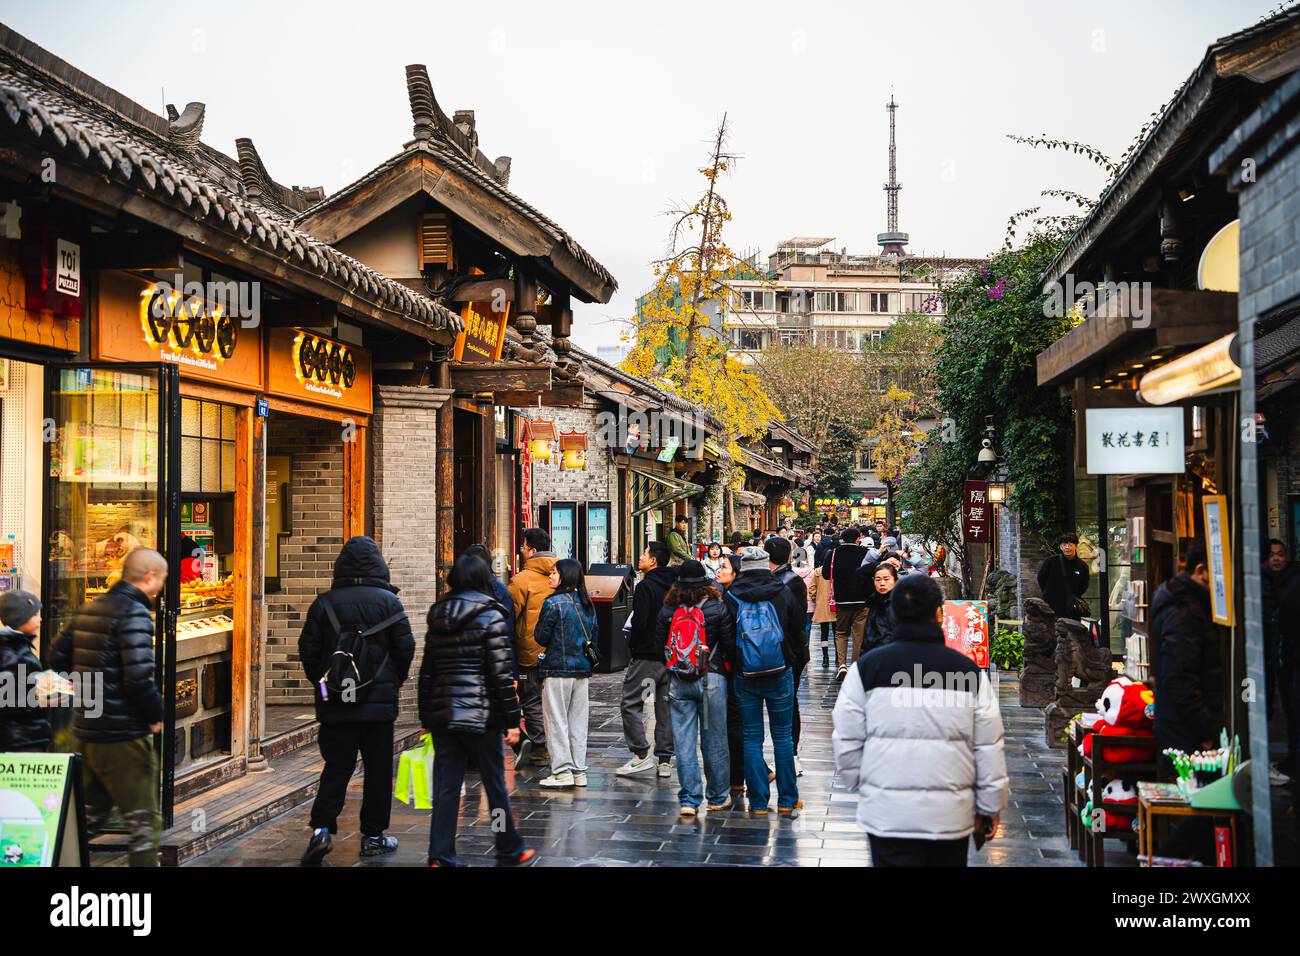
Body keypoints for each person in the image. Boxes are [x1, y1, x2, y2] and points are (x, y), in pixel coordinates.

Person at [832, 573, 1009, 867]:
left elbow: (847, 738)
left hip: (887, 814)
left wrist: (862, 786)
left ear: (894, 613)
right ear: (939, 614)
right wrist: (990, 805)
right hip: (950, 817)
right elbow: (988, 745)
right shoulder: (967, 673)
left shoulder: (866, 669)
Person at [298, 536, 415, 864]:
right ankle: (373, 836)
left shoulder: (324, 603)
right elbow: (405, 648)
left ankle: (321, 829)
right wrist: (391, 683)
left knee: (337, 766)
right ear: (379, 565)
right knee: (378, 770)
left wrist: (324, 686)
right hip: (378, 708)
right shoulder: (389, 603)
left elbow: (308, 651)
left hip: (336, 705)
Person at [48, 547, 167, 867]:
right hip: (123, 733)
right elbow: (140, 677)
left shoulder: (91, 607)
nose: (162, 586)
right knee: (144, 822)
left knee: (88, 816)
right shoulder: (135, 614)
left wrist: (86, 687)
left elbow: (56, 657)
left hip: (87, 729)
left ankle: (51, 859)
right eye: (163, 578)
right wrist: (155, 716)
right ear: (150, 577)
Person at [420, 555, 536, 867]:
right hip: (482, 716)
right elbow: (500, 674)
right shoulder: (491, 614)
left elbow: (427, 670)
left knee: (446, 788)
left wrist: (425, 716)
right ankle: (507, 847)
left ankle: (440, 854)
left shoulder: (439, 613)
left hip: (444, 714)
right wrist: (512, 719)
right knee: (495, 785)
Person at [725, 546, 804, 815]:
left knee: (751, 737)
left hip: (744, 673)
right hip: (779, 670)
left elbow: (725, 636)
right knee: (782, 737)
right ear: (766, 564)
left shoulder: (732, 595)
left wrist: (736, 663)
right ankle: (787, 800)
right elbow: (796, 630)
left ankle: (758, 802)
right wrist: (792, 659)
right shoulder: (782, 591)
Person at [656, 559, 735, 815]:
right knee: (714, 740)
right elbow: (729, 646)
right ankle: (717, 796)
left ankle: (689, 799)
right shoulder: (716, 607)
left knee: (684, 742)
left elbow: (661, 645)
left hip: (679, 681)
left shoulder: (668, 609)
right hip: (711, 679)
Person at [1150, 543, 1224, 761]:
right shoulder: (1183, 611)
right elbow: (1179, 677)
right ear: (1201, 571)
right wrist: (1206, 729)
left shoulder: (1184, 600)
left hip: (1180, 723)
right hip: (1184, 729)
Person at [534, 558, 596, 788]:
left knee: (556, 720)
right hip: (582, 669)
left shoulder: (553, 603)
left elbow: (540, 637)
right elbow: (595, 634)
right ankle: (579, 770)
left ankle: (561, 770)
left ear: (565, 576)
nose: (550, 576)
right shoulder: (586, 603)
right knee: (578, 721)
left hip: (557, 668)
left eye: (554, 573)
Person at [618, 540, 678, 777]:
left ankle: (641, 753)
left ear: (653, 560)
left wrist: (633, 647)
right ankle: (664, 760)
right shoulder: (675, 584)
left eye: (644, 554)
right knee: (665, 706)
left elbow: (640, 623)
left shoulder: (645, 587)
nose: (640, 557)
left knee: (631, 703)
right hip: (671, 655)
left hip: (647, 656)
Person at [508, 528, 557, 769]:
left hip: (531, 652)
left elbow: (509, 614)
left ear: (533, 551)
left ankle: (539, 748)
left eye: (524, 547)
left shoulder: (522, 580)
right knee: (554, 702)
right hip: (560, 652)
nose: (521, 550)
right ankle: (556, 747)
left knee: (532, 701)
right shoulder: (564, 572)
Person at [767, 536, 811, 774]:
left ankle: (791, 755)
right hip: (790, 651)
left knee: (787, 703)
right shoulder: (789, 580)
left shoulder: (786, 582)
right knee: (787, 703)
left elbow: (793, 623)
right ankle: (789, 755)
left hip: (788, 652)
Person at [1263, 539, 1300, 779]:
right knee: (1285, 707)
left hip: (1291, 655)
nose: (1276, 558)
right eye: (1272, 554)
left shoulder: (1292, 581)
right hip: (1276, 656)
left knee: (1292, 706)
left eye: (1280, 554)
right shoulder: (1266, 583)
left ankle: (1293, 757)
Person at [0, 591, 51, 752]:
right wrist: (41, 699)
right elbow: (9, 699)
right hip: (22, 741)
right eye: (35, 614)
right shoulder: (14, 652)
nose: (40, 619)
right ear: (20, 618)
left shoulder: (15, 647)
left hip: (18, 738)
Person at [828, 528, 871, 680]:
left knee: (841, 633)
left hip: (842, 599)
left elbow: (827, 574)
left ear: (842, 539)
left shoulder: (833, 553)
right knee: (859, 635)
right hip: (862, 599)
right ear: (858, 538)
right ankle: (855, 666)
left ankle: (841, 665)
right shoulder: (865, 552)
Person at [1036, 532, 1090, 620]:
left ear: (1076, 546)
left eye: (1070, 544)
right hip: (1050, 605)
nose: (1067, 547)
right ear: (1061, 547)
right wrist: (1049, 592)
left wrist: (1073, 595)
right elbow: (1041, 578)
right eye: (1064, 545)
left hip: (1071, 607)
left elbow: (1084, 586)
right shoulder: (1051, 562)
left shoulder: (1082, 566)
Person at [861, 563, 899, 652]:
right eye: (878, 580)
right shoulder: (874, 602)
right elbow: (860, 573)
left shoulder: (900, 604)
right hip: (873, 658)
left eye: (886, 579)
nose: (882, 583)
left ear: (895, 581)